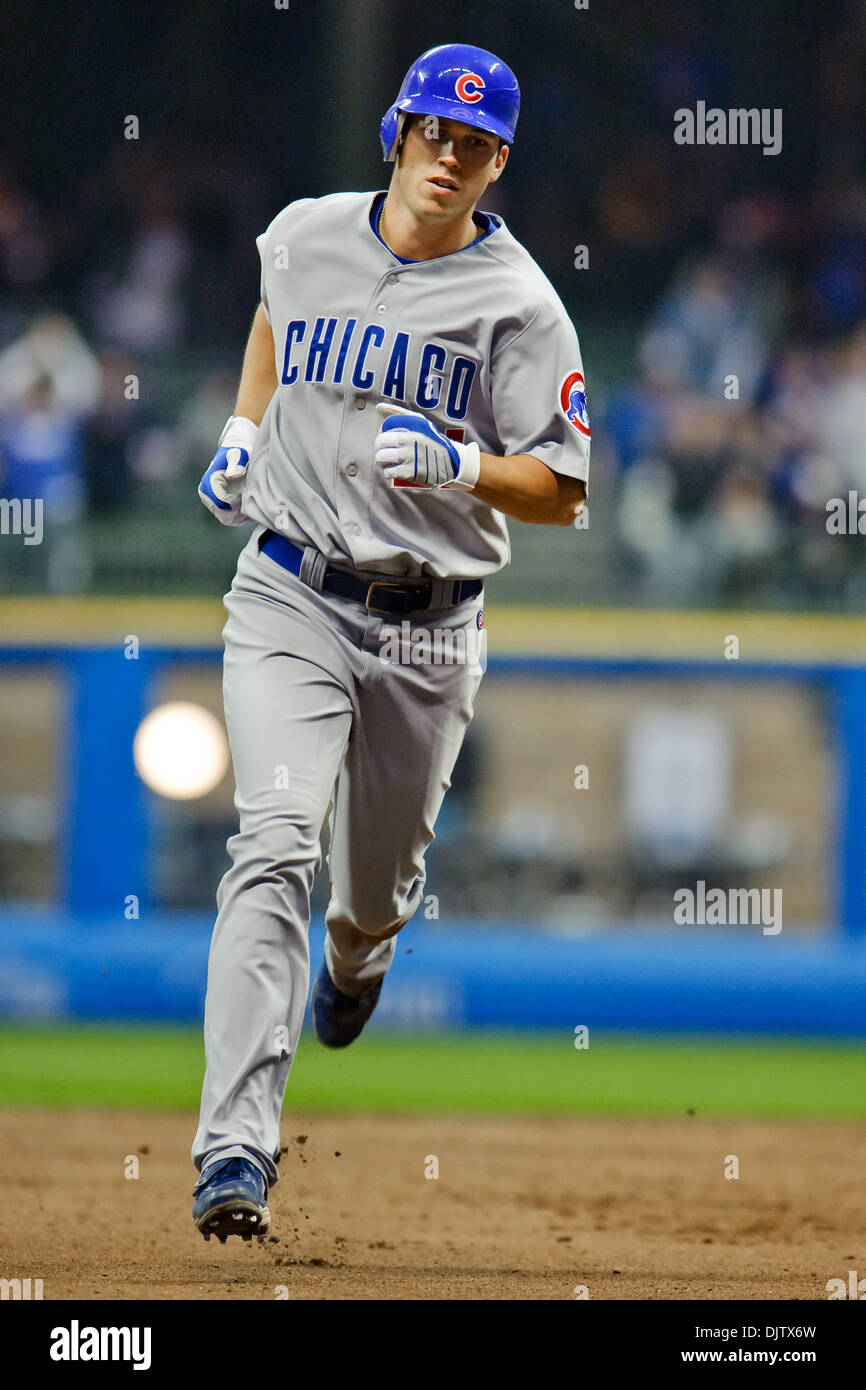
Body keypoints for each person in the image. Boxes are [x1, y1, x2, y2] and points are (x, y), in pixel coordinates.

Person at [191, 43, 590, 1242]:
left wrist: (467, 463)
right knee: (269, 844)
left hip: (426, 631)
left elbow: (565, 489)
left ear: (498, 162)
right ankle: (233, 1153)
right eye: (432, 130)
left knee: (368, 897)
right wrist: (241, 427)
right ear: (395, 131)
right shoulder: (306, 230)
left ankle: (357, 962)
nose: (448, 155)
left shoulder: (519, 301)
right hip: (290, 596)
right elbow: (276, 317)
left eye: (474, 143)